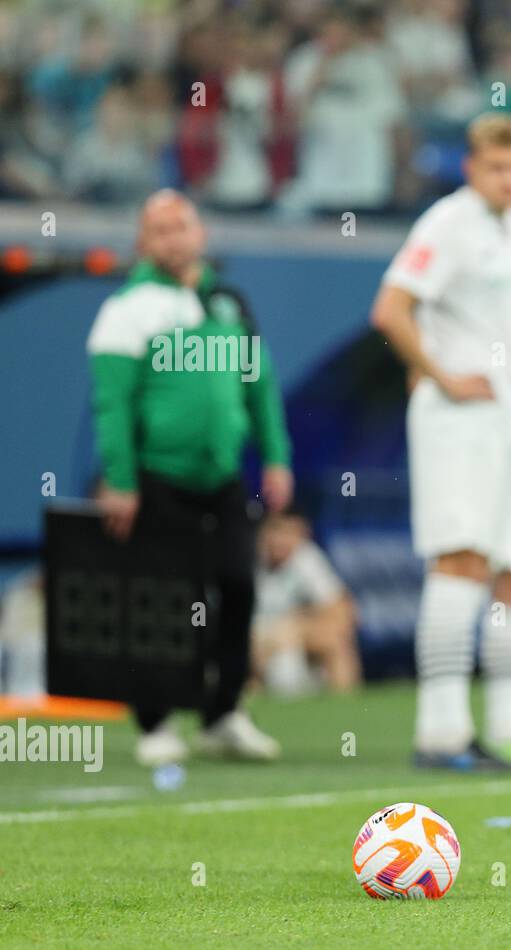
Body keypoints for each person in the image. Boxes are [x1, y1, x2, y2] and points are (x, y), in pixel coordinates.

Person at [370, 119, 511, 771]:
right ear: (470, 167)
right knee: (460, 563)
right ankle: (441, 733)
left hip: (510, 431)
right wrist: (439, 375)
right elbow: (391, 309)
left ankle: (496, 730)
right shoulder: (447, 223)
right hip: (458, 423)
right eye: (498, 168)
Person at [89, 189, 290, 766]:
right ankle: (155, 722)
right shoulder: (125, 311)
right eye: (161, 229)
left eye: (183, 225)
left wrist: (275, 457)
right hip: (158, 477)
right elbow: (113, 404)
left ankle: (223, 713)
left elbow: (260, 386)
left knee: (239, 587)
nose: (175, 237)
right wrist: (121, 481)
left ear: (200, 232)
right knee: (164, 601)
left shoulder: (229, 302)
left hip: (222, 477)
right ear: (143, 243)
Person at [252, 510, 361, 695]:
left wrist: (297, 627)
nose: (280, 540)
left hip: (295, 642)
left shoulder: (306, 558)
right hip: (254, 644)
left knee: (335, 640)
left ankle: (347, 709)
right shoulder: (246, 559)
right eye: (275, 531)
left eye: (288, 532)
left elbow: (346, 613)